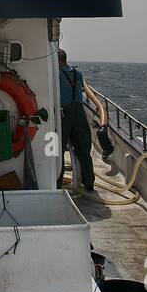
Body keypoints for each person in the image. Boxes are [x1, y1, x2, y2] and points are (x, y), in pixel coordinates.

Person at [57, 49, 106, 193]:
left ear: (57, 61)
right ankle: (89, 183)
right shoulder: (78, 73)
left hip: (63, 113)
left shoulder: (57, 75)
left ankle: (56, 183)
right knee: (84, 150)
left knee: (56, 149)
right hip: (79, 113)